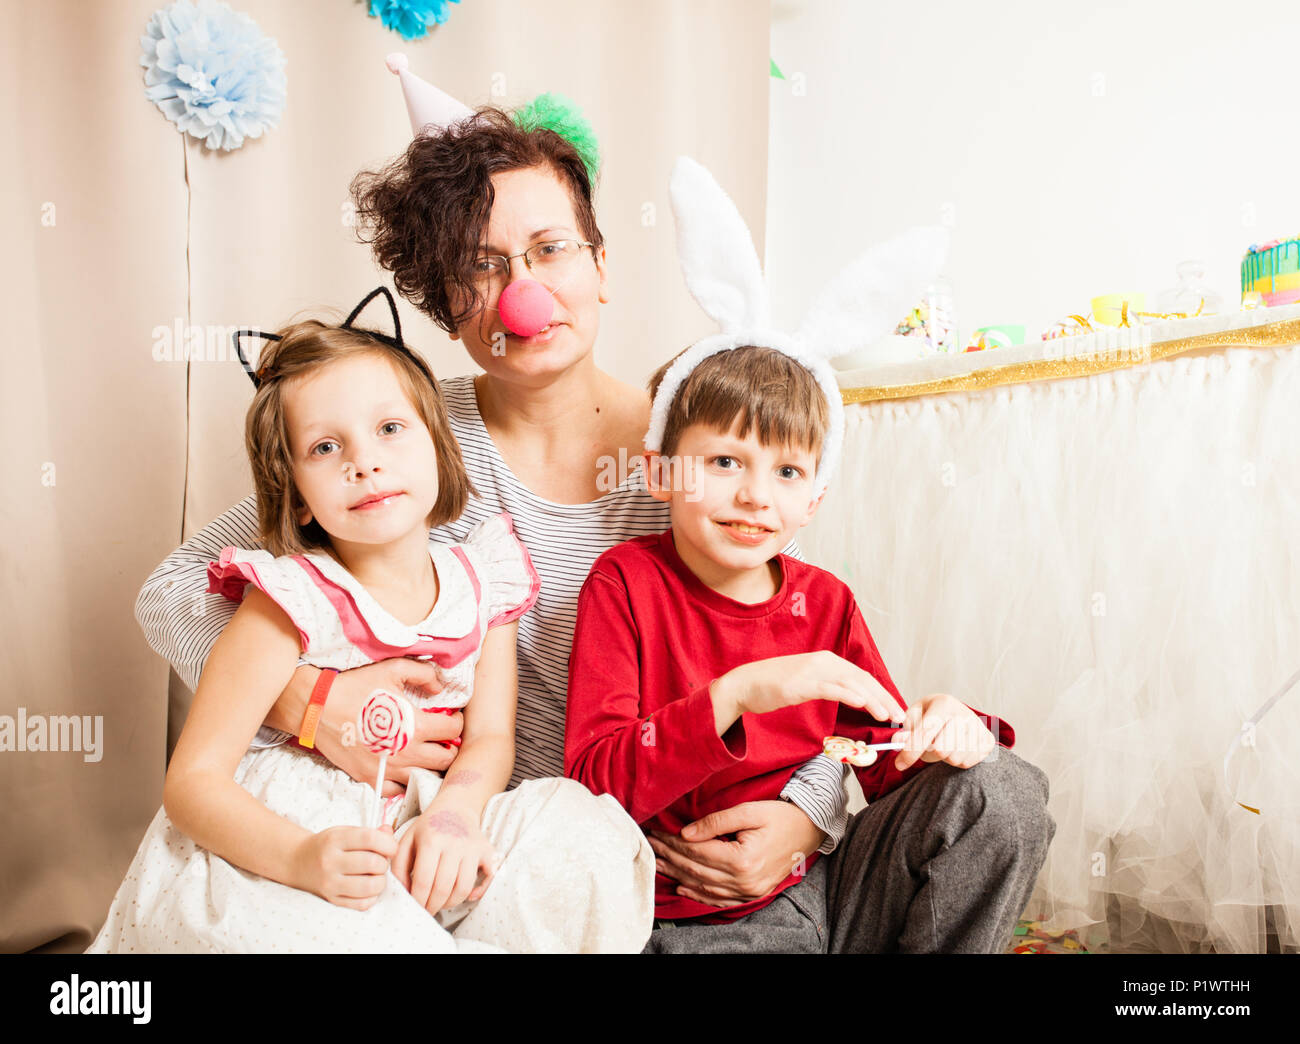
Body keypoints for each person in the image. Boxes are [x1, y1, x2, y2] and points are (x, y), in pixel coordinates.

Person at [128, 107, 848, 935]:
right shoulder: (407, 445)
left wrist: (807, 817)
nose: (525, 294)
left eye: (550, 250)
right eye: (482, 267)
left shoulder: (701, 457)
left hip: (628, 857)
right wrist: (310, 700)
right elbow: (172, 589)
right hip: (442, 843)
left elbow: (807, 656)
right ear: (447, 307)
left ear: (602, 265)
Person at [564, 155, 1055, 953]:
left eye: (787, 472)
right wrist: (744, 690)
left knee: (1003, 789)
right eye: (725, 463)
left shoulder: (824, 601)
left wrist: (954, 725)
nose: (758, 496)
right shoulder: (626, 584)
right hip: (691, 915)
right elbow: (594, 781)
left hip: (828, 896)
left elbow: (887, 761)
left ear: (813, 498)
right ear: (660, 472)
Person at [89, 301, 653, 953]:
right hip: (289, 848)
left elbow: (490, 739)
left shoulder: (485, 580)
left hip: (419, 825)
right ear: (297, 492)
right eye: (326, 447)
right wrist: (302, 857)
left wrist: (453, 815)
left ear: (439, 449)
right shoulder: (287, 600)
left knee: (583, 832)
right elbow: (193, 784)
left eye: (390, 428)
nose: (365, 461)